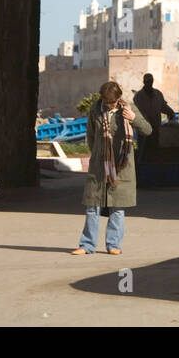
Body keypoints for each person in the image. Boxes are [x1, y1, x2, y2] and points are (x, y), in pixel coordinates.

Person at [70, 81, 150, 255]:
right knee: (93, 206)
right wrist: (99, 154)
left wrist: (134, 120)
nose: (109, 106)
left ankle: (113, 244)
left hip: (121, 166)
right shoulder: (95, 110)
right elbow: (91, 135)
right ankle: (87, 245)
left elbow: (148, 130)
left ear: (118, 98)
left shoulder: (129, 109)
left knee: (117, 207)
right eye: (106, 103)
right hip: (99, 166)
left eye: (112, 103)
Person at [132, 72, 176, 160]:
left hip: (156, 130)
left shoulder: (158, 94)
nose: (149, 83)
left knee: (155, 153)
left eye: (150, 81)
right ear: (144, 82)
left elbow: (163, 106)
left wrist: (170, 112)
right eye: (147, 81)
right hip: (144, 130)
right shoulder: (138, 96)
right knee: (143, 153)